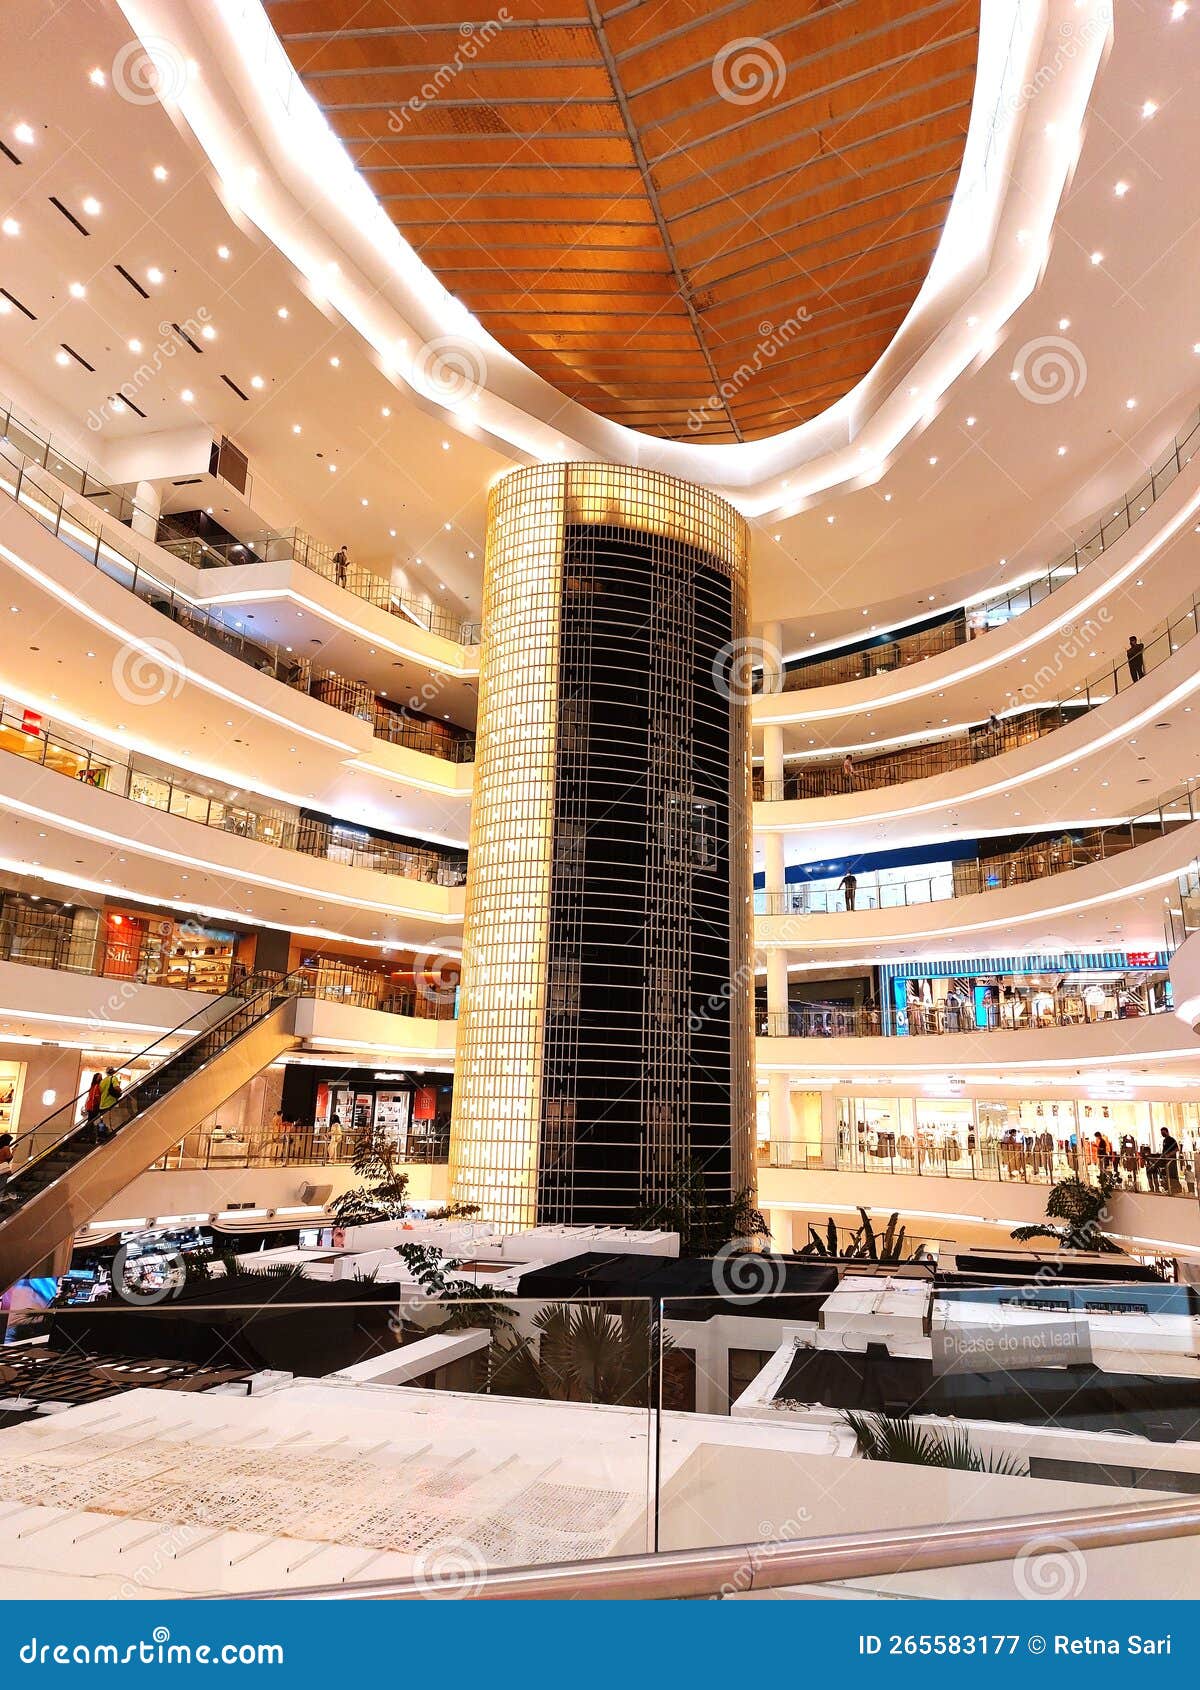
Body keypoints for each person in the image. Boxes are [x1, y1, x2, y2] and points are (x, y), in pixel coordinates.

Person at [96, 1067, 124, 1141]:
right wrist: (120, 1090)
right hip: (110, 1103)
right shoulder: (113, 1078)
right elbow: (116, 1088)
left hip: (102, 1104)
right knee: (110, 1120)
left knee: (102, 1121)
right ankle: (110, 1134)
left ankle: (101, 1135)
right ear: (113, 1072)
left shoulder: (103, 1081)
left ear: (106, 1073)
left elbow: (100, 1091)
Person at [1159, 1126, 1181, 1194]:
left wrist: (1169, 1155)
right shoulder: (1164, 1140)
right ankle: (1170, 1187)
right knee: (1168, 1174)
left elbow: (1177, 1149)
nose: (1162, 1134)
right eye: (1161, 1133)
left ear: (1166, 1132)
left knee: (1173, 1174)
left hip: (1171, 1160)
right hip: (1166, 1160)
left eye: (1163, 1132)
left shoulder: (1171, 1139)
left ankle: (1177, 1188)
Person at [83, 1070, 103, 1141]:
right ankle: (86, 1134)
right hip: (93, 1106)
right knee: (91, 1120)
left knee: (91, 1120)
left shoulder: (92, 1086)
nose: (101, 1078)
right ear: (96, 1078)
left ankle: (88, 1134)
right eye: (99, 1077)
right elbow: (97, 1096)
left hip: (90, 1106)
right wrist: (101, 1104)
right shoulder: (96, 1086)